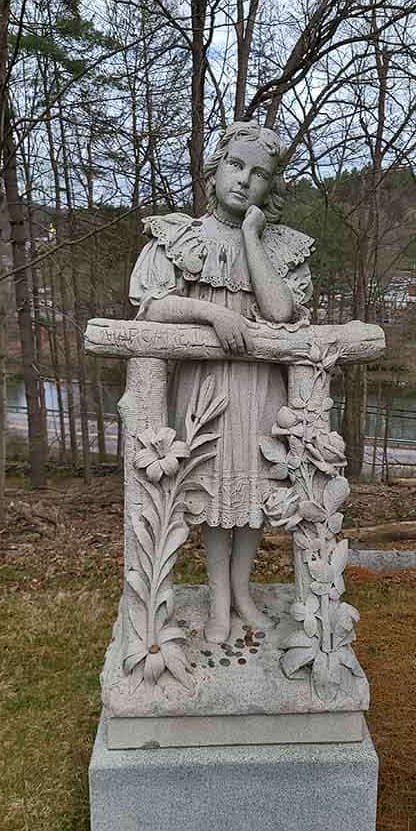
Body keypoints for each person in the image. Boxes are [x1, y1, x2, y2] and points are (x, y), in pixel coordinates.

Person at [129, 121, 314, 643]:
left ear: (269, 189)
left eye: (259, 174)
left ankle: (241, 592)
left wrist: (252, 236)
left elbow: (280, 311)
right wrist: (212, 316)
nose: (244, 180)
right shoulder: (181, 238)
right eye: (236, 165)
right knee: (213, 495)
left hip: (260, 390)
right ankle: (216, 598)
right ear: (215, 171)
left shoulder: (280, 247)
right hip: (205, 388)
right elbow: (152, 304)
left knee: (252, 493)